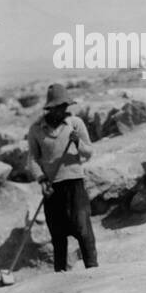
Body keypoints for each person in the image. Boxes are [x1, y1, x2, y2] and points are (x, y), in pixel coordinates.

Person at [26, 84, 97, 272]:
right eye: (59, 107)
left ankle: (93, 270)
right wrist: (41, 179)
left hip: (75, 184)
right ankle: (59, 275)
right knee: (57, 235)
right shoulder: (36, 129)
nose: (63, 110)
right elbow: (32, 159)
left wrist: (78, 143)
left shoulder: (75, 123)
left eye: (65, 106)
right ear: (50, 107)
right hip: (52, 187)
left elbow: (89, 152)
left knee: (83, 230)